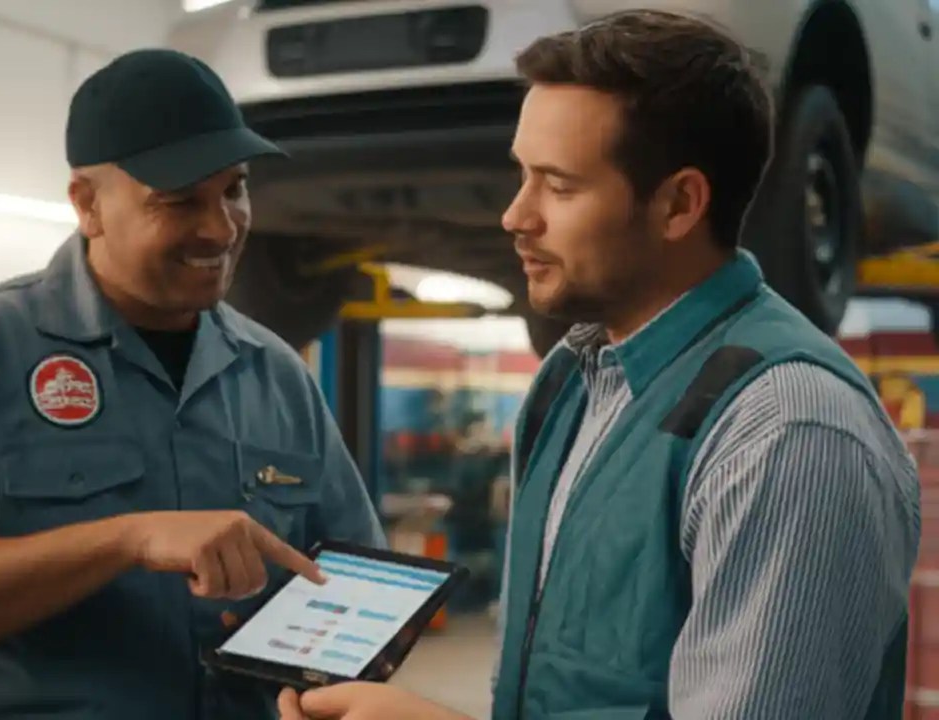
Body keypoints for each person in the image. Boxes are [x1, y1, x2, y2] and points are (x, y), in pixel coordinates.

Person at [279, 10, 920, 720]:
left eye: (558, 186)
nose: (515, 216)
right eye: (522, 176)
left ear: (679, 204)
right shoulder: (569, 385)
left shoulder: (787, 433)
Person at [0, 48, 385, 719]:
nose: (220, 227)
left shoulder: (275, 371)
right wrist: (129, 539)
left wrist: (314, 648)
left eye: (234, 190)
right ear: (88, 204)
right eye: (180, 201)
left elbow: (356, 586)